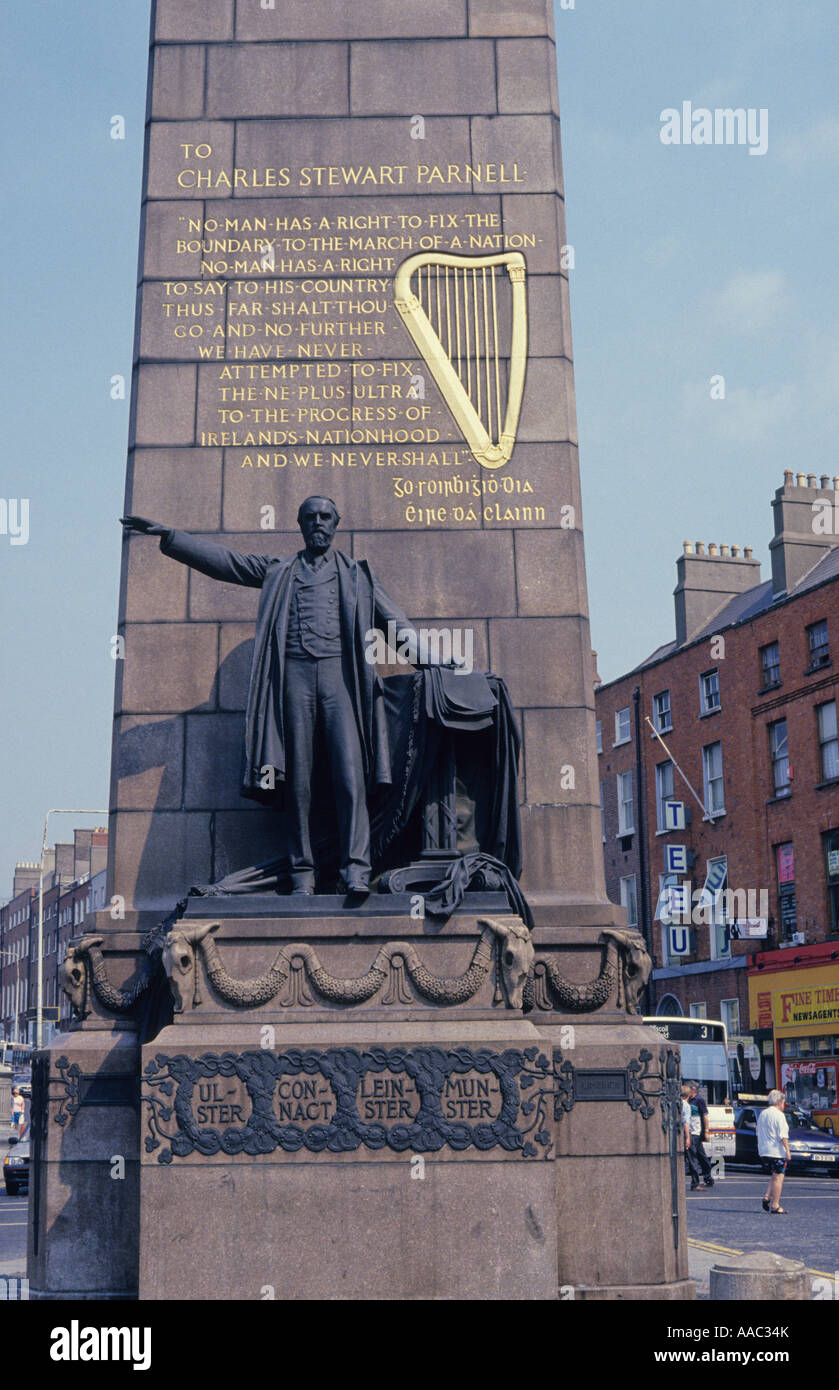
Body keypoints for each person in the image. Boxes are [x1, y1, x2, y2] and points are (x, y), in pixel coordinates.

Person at [121, 498, 441, 897]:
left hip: (341, 682)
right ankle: (301, 874)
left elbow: (395, 624)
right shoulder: (280, 572)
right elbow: (229, 564)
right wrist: (171, 537)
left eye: (325, 517)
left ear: (337, 524)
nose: (318, 524)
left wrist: (435, 665)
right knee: (298, 783)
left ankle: (356, 869)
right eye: (310, 518)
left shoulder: (358, 577)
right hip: (295, 681)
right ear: (300, 525)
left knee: (350, 776)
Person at [757, 1089, 791, 1214]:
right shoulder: (779, 1115)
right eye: (783, 1102)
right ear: (779, 1102)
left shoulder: (763, 1114)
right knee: (779, 1177)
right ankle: (775, 1205)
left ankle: (767, 1196)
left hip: (764, 1150)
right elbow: (783, 1135)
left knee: (774, 1174)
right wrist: (788, 1151)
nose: (784, 1105)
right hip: (776, 1151)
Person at [686, 1080, 715, 1191]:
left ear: (693, 1089)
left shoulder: (699, 1100)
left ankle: (707, 1176)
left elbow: (705, 1116)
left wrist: (706, 1131)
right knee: (695, 1157)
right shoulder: (686, 1100)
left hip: (697, 1132)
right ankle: (698, 1181)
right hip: (691, 1132)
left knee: (701, 1157)